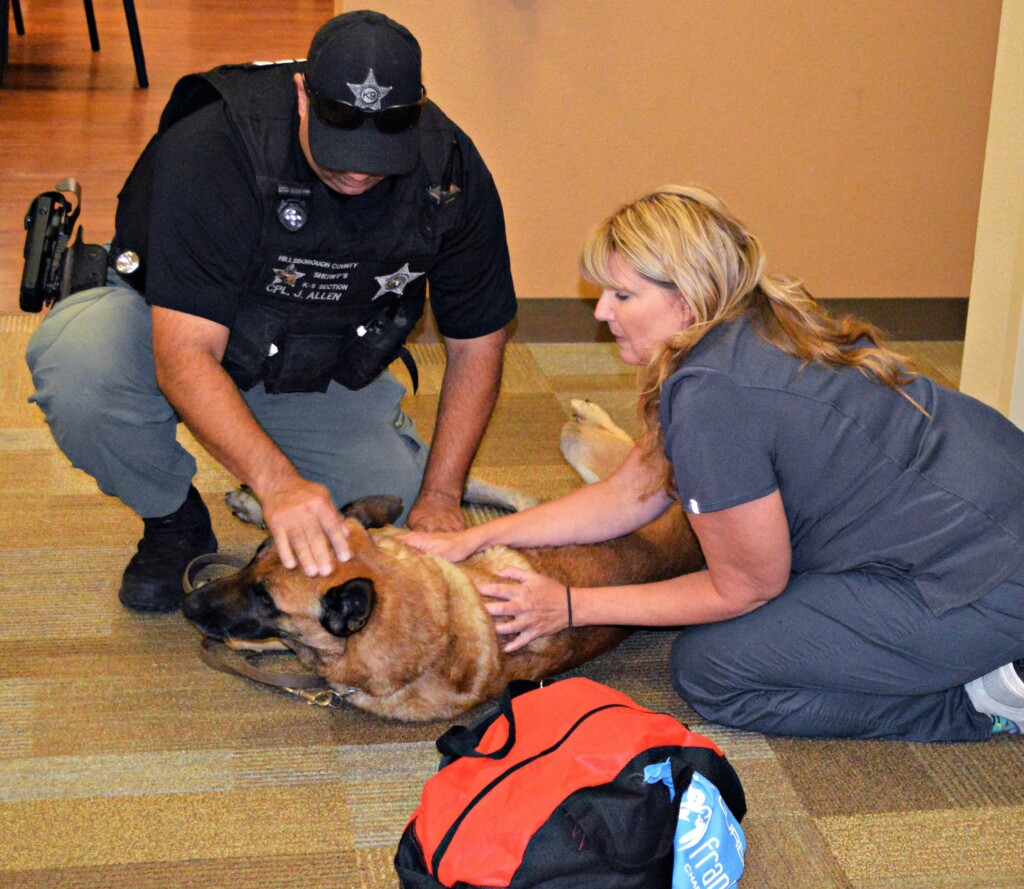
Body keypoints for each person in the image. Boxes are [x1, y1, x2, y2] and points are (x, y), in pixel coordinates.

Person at [402, 184, 1024, 743]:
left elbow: (747, 587)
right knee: (757, 580)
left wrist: (571, 606)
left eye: (623, 294)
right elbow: (628, 498)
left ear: (688, 299)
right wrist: (479, 536)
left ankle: (979, 703)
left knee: (713, 670)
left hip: (983, 584)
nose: (599, 313)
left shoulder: (712, 397)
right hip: (983, 516)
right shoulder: (753, 319)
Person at [25, 10, 517, 612]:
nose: (359, 170)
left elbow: (478, 343)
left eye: (379, 151)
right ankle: (172, 524)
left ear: (417, 108)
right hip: (169, 333)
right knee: (79, 368)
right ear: (303, 96)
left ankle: (293, 464)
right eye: (340, 149)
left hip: (306, 364)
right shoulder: (215, 146)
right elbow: (185, 356)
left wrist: (441, 496)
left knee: (394, 505)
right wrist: (279, 484)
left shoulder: (452, 171)